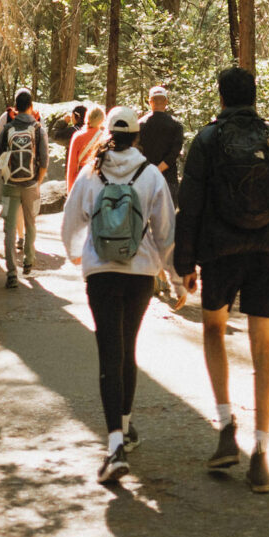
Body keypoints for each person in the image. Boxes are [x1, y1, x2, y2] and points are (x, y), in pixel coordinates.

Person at [173, 65, 269, 495]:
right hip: (268, 252)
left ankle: (226, 429)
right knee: (263, 349)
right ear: (254, 96)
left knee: (214, 330)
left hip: (218, 253)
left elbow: (190, 205)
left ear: (221, 98)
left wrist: (185, 263)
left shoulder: (207, 140)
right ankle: (262, 455)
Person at [62, 103, 176, 486]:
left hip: (101, 274)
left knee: (109, 349)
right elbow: (165, 229)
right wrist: (170, 274)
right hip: (140, 274)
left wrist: (78, 253)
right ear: (137, 136)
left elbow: (71, 219)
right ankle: (125, 429)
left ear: (108, 132)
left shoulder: (92, 171)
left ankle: (114, 445)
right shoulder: (150, 175)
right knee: (128, 346)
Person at [0, 87, 49, 288]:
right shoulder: (39, 129)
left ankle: (11, 273)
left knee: (9, 229)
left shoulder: (8, 128)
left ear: (15, 107)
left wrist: (7, 172)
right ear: (31, 107)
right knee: (31, 224)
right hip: (31, 185)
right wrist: (37, 183)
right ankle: (29, 261)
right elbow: (44, 161)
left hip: (10, 185)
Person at [137, 85, 185, 197]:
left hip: (144, 178)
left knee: (144, 214)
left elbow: (135, 151)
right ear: (166, 102)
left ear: (150, 102)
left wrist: (151, 172)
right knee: (167, 214)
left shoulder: (139, 125)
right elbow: (174, 153)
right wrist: (158, 170)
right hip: (168, 180)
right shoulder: (176, 125)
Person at [66, 103, 106, 191]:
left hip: (80, 181)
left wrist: (70, 191)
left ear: (87, 117)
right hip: (98, 182)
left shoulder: (78, 136)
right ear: (102, 120)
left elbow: (72, 166)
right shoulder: (104, 137)